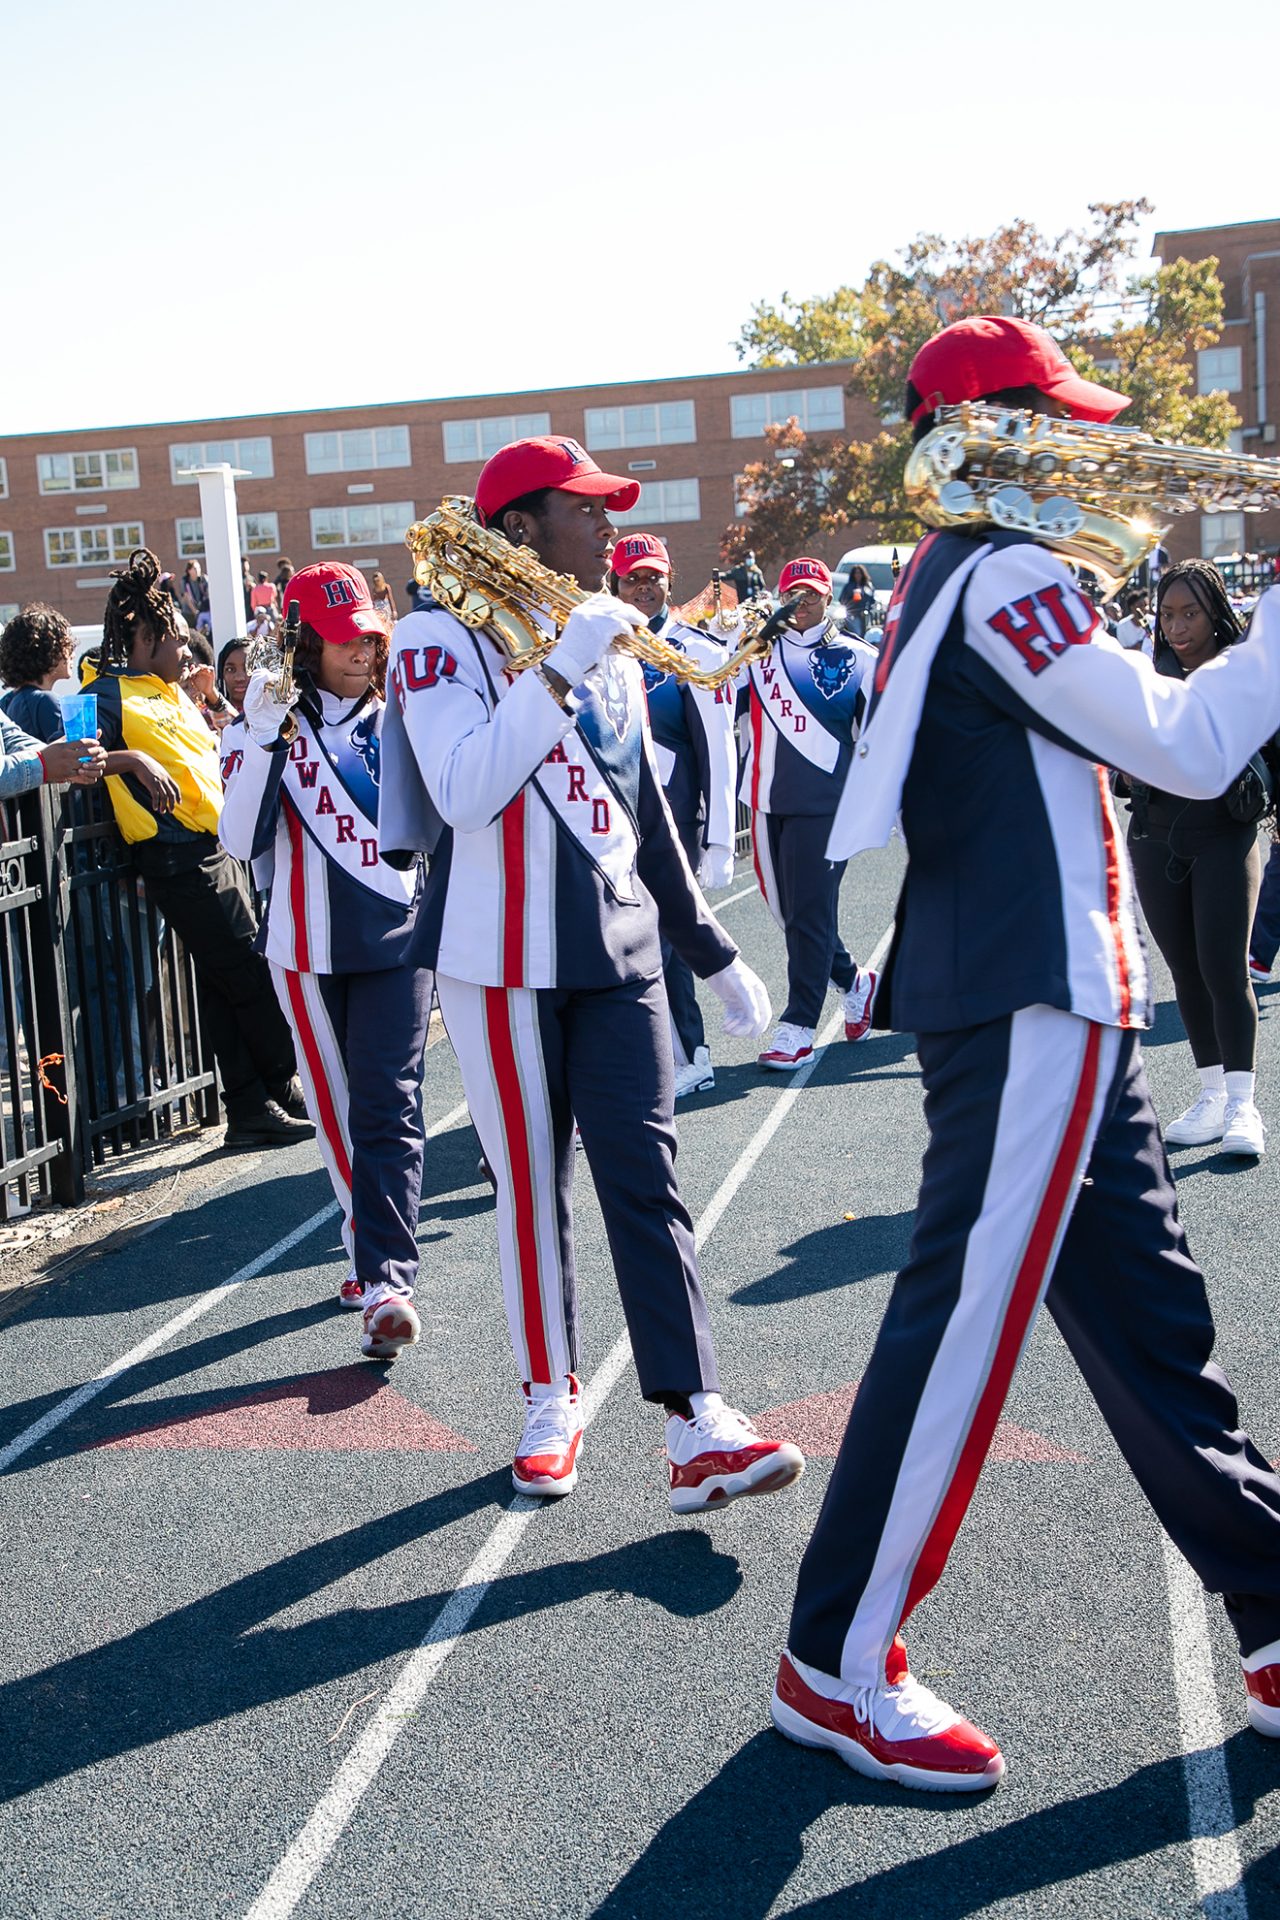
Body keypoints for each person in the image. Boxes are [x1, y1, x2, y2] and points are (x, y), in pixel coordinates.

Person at [772, 313, 1280, 1793]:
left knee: (1151, 1322)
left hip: (1051, 994)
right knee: (958, 1332)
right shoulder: (1005, 575)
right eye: (1060, 419)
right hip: (1030, 999)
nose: (1095, 444)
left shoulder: (979, 571)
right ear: (996, 437)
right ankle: (835, 1661)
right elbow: (1185, 747)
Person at [379, 433, 805, 1510]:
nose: (610, 530)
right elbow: (468, 790)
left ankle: (695, 1417)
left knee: (646, 1177)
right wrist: (562, 662)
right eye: (588, 511)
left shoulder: (602, 634)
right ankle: (546, 1394)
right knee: (527, 1187)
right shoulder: (436, 639)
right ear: (520, 527)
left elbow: (639, 816)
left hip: (617, 957)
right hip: (498, 963)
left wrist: (710, 953)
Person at [219, 563, 431, 1359]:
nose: (360, 650)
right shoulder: (266, 721)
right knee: (340, 1113)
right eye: (342, 637)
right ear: (307, 643)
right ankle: (366, 1241)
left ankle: (386, 1278)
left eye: (368, 636)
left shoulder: (404, 714)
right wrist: (264, 733)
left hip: (399, 942)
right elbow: (239, 841)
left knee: (391, 1102)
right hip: (305, 950)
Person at [87, 548, 315, 1150]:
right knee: (247, 971)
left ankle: (248, 1108)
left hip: (215, 851)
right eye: (177, 642)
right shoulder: (104, 692)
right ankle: (292, 1078)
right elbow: (74, 762)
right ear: (145, 638)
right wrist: (129, 759)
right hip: (176, 858)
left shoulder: (165, 688)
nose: (187, 653)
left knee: (221, 981)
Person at [1123, 561, 1273, 1156]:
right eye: (1168, 615)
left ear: (1214, 613)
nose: (1178, 626)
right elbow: (1124, 771)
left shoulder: (1248, 675)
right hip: (1155, 838)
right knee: (1183, 970)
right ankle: (1211, 1094)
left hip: (1225, 835)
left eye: (1190, 613)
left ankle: (1244, 1105)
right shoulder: (1145, 676)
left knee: (1223, 966)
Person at [735, 556, 878, 1070]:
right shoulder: (756, 655)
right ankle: (855, 980)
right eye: (793, 594)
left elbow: (879, 737)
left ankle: (798, 1025)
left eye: (812, 594)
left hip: (826, 808)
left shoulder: (859, 657)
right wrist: (739, 645)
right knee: (789, 915)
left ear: (827, 597)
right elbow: (720, 700)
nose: (803, 603)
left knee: (810, 917)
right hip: (766, 802)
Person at [608, 531, 737, 1097]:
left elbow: (718, 753)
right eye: (632, 577)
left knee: (668, 940)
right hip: (609, 826)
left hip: (672, 824)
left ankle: (691, 1053)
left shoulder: (698, 651)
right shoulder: (595, 643)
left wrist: (718, 840)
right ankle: (659, 1053)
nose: (643, 587)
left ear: (669, 579)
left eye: (652, 577)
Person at [0, 603, 75, 742]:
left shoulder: (7, 701)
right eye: (66, 644)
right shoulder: (45, 701)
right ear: (48, 650)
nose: (72, 654)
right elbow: (71, 755)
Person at [838, 564, 876, 639]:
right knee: (857, 634)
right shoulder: (849, 586)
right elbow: (842, 600)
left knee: (867, 635)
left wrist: (868, 609)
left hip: (865, 615)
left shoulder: (868, 586)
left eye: (859, 573)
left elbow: (872, 600)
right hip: (853, 614)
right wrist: (852, 600)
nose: (858, 575)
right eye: (856, 573)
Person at [1115, 586, 1153, 657]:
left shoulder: (1154, 622)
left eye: (1146, 605)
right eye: (1141, 605)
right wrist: (1136, 647)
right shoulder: (1122, 626)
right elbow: (1121, 651)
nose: (1144, 608)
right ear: (1132, 607)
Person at [217, 639, 250, 713]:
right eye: (230, 669)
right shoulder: (209, 719)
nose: (239, 678)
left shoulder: (278, 715)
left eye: (248, 668)